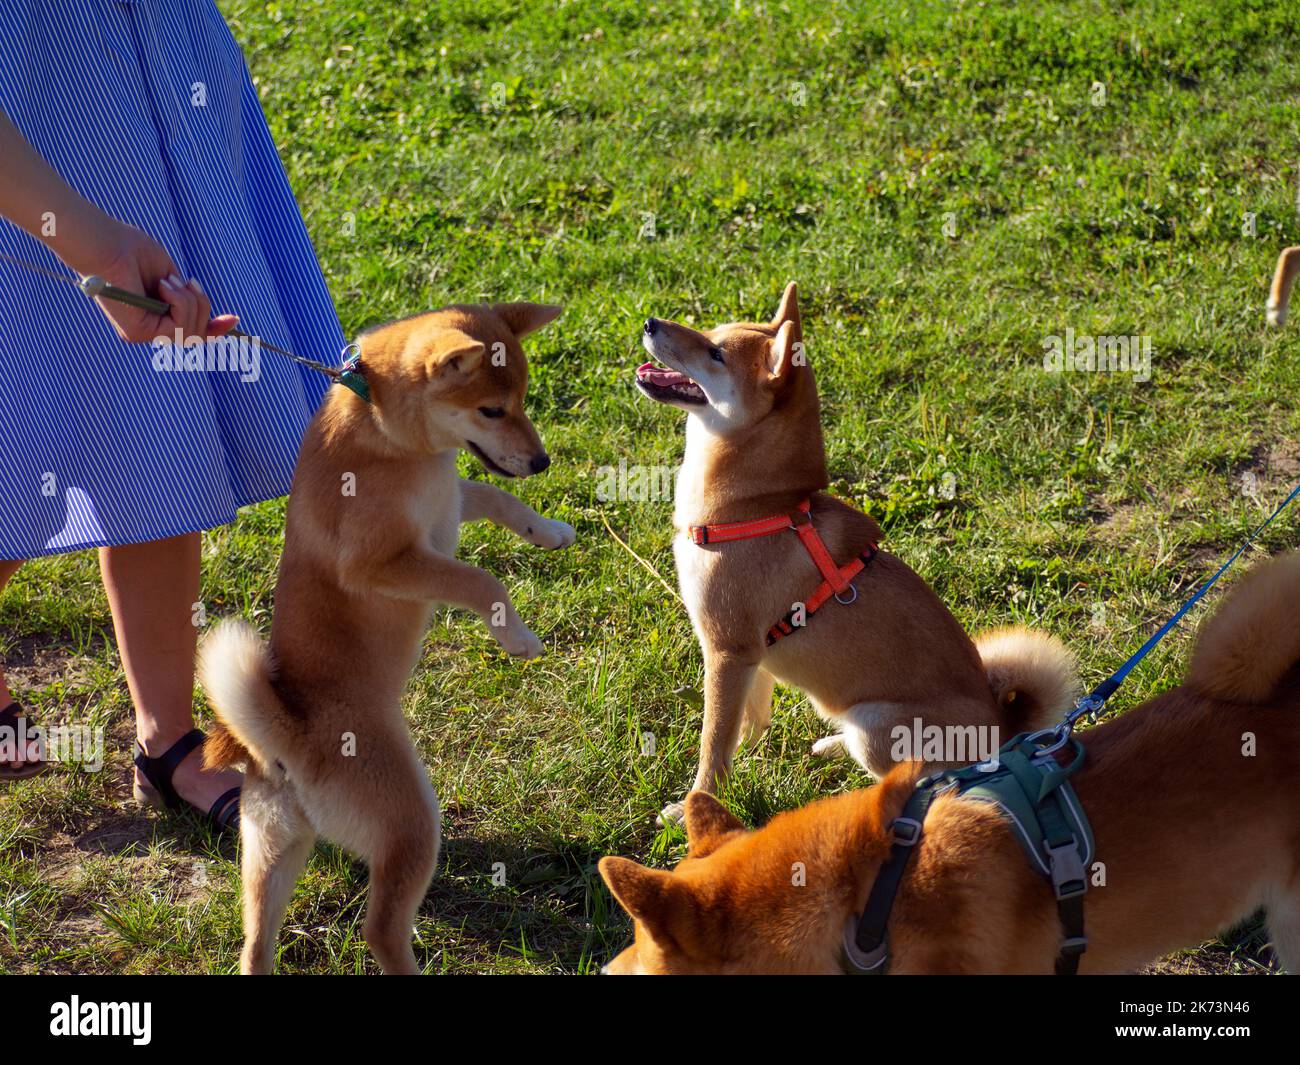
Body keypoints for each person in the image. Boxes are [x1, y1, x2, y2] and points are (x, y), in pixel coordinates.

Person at [0, 1, 347, 829]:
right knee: (26, 411)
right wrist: (96, 244)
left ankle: (167, 743)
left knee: (162, 408)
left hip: (161, 47)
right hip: (32, 79)